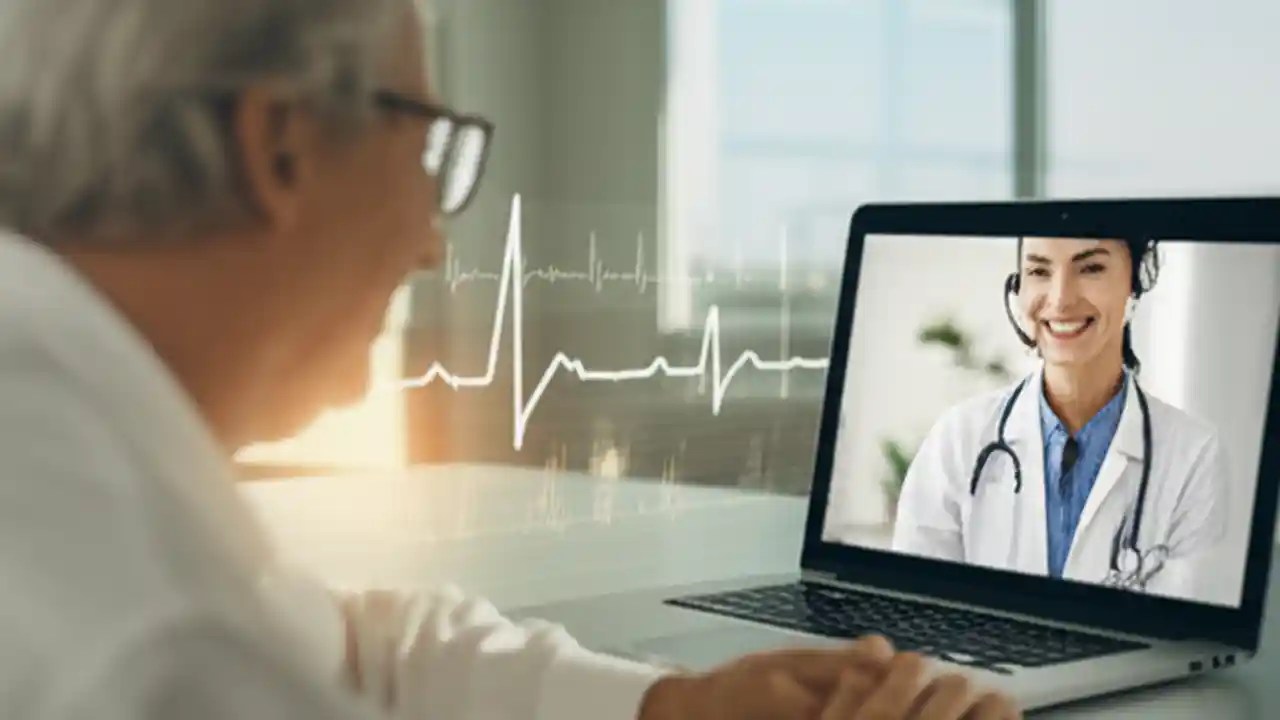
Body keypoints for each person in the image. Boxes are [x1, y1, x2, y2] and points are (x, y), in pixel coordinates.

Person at [0, 0, 1021, 718]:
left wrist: (670, 709)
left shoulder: (61, 433)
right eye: (426, 146)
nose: (431, 244)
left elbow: (352, 648)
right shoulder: (150, 641)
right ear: (279, 148)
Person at [892, 235, 1231, 605]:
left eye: (1090, 268)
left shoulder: (1194, 453)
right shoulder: (957, 438)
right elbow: (916, 605)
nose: (1060, 299)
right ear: (1017, 289)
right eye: (1039, 271)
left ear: (1136, 282)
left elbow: (1186, 626)